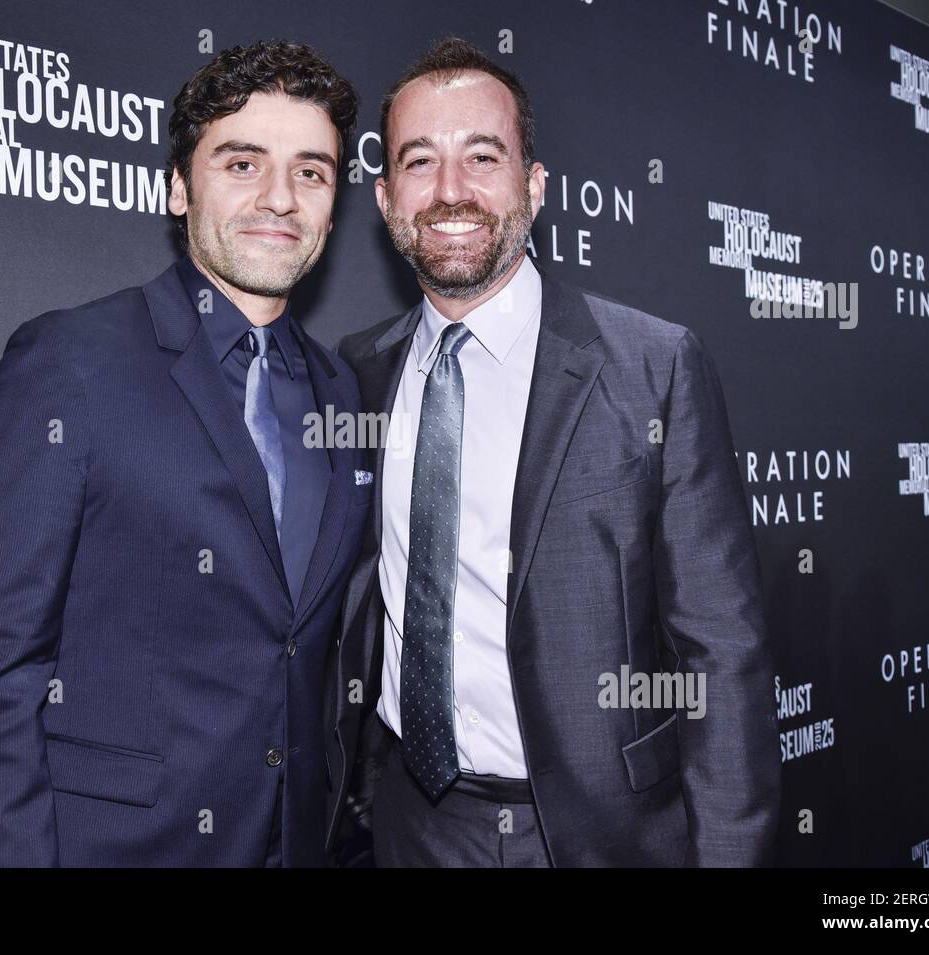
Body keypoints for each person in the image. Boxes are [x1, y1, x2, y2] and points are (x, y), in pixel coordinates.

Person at [326, 37, 781, 867]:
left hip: (601, 834)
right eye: (419, 162)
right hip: (410, 827)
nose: (451, 191)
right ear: (387, 198)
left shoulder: (653, 368)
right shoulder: (359, 371)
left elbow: (723, 652)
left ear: (534, 187)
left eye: (483, 155)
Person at [0, 39, 366, 867]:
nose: (280, 197)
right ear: (177, 186)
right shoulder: (69, 363)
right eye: (242, 163)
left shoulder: (344, 393)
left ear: (334, 205)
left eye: (311, 171)